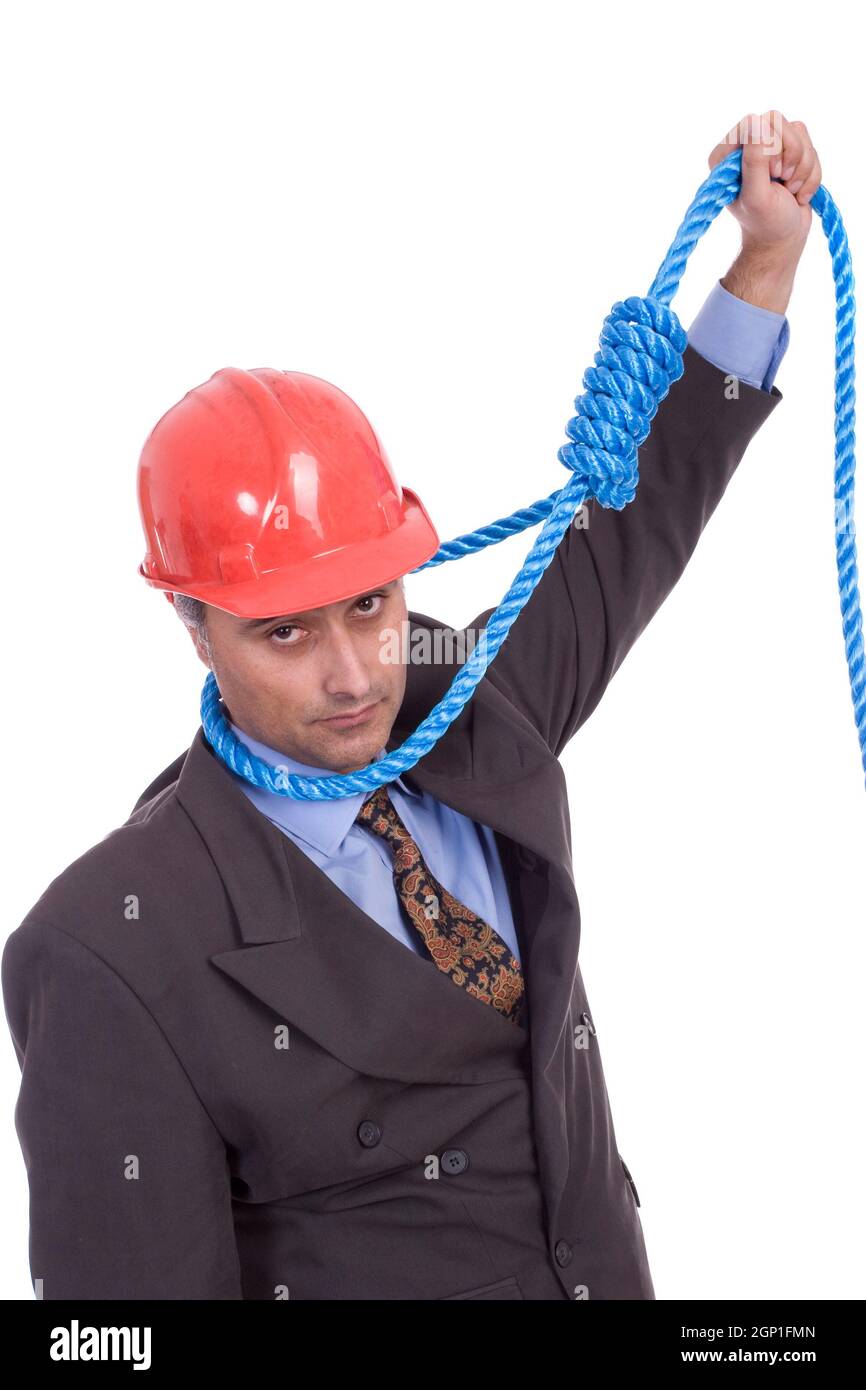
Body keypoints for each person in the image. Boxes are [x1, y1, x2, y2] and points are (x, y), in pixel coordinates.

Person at [1, 112, 820, 1300]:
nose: (353, 674)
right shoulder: (108, 947)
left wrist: (758, 266)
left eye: (372, 603)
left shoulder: (457, 703)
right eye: (284, 629)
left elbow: (621, 532)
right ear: (190, 623)